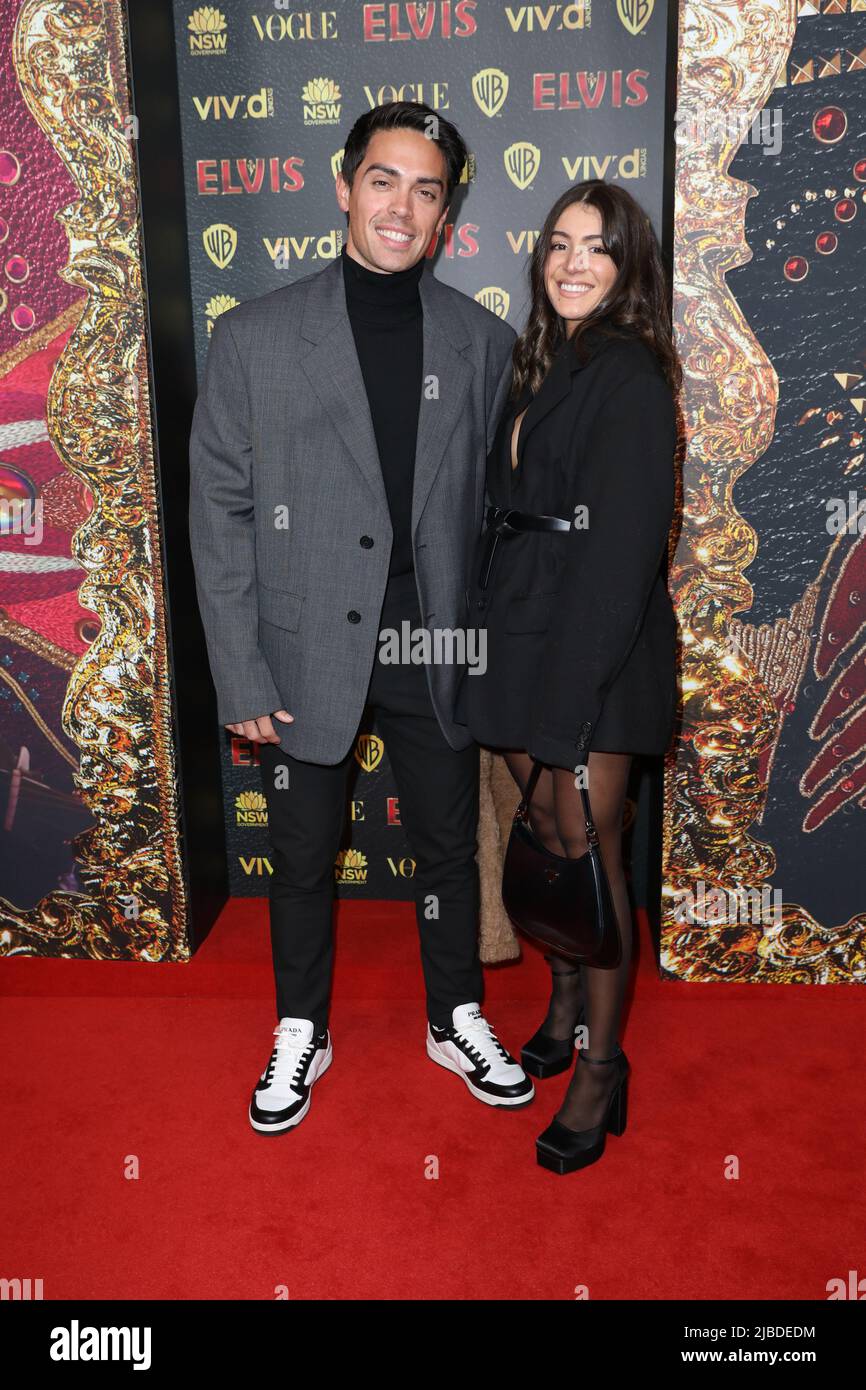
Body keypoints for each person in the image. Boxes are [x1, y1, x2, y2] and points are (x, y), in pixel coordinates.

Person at [188, 101, 535, 1134]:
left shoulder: (480, 342)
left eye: (426, 189)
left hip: (433, 645)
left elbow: (500, 513)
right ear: (343, 187)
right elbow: (219, 514)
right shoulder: (253, 337)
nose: (402, 205)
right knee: (300, 853)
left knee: (444, 848)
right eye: (384, 179)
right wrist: (242, 675)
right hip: (301, 652)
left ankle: (454, 1013)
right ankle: (302, 1025)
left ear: (445, 212)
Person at [458, 180, 681, 1173]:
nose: (572, 262)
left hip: (594, 647)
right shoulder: (536, 359)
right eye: (557, 244)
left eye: (595, 246)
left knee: (584, 859)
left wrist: (568, 707)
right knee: (544, 849)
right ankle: (556, 1004)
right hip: (514, 632)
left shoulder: (627, 373)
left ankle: (600, 1070)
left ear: (627, 265)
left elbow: (620, 557)